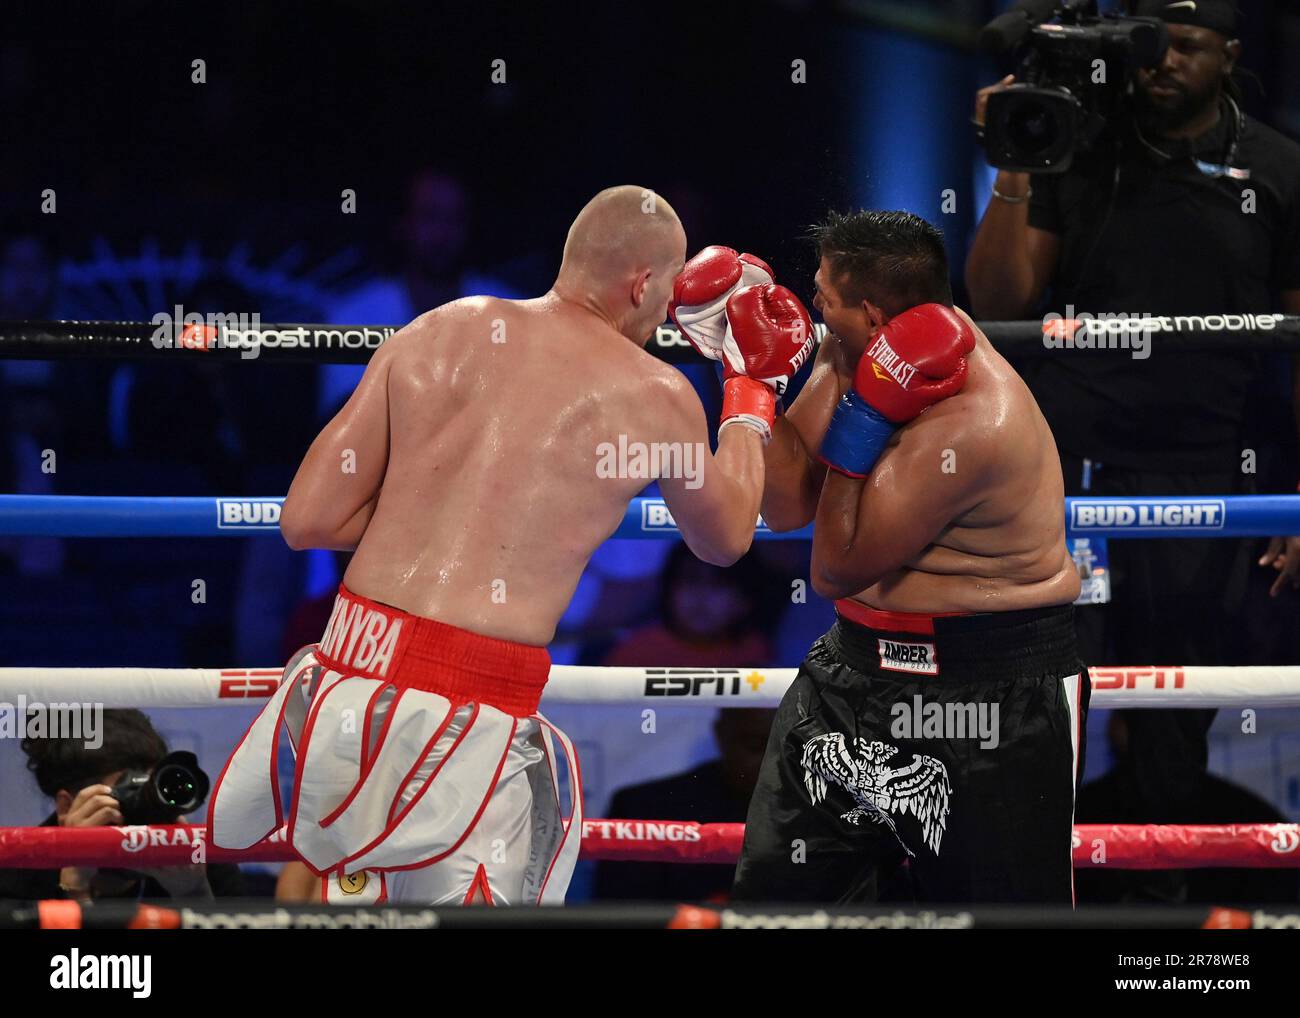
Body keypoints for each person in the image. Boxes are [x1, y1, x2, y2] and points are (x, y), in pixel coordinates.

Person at [208, 186, 815, 905]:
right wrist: (750, 393)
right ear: (644, 283)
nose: (667, 316)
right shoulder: (657, 394)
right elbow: (725, 537)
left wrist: (431, 517)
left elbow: (305, 519)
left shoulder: (437, 328)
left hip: (341, 674)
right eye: (667, 292)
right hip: (466, 713)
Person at [963, 0, 1300, 881]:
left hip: (1213, 477)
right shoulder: (1077, 144)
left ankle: (1165, 928)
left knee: (1173, 727)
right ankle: (1032, 911)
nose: (1162, 64)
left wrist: (1295, 494)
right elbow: (999, 305)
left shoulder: (1279, 169)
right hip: (1069, 475)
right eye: (1150, 46)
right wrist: (1015, 154)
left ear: (1228, 55)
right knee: (1043, 714)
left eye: (1185, 46)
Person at [731, 210, 1087, 904]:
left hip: (987, 690)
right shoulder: (853, 348)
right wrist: (754, 381)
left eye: (824, 298)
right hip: (852, 671)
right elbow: (785, 506)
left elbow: (834, 567)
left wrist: (863, 422)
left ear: (870, 313)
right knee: (779, 909)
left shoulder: (979, 423)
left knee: (997, 924)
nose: (813, 309)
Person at [0, 709, 243, 901]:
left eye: (147, 795)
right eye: (127, 798)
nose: (143, 818)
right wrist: (75, 887)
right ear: (66, 808)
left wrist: (193, 894)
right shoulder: (18, 878)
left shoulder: (199, 863)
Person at [593, 708, 775, 903]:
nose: (774, 761)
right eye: (755, 745)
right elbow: (623, 913)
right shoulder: (645, 808)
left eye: (792, 747)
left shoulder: (810, 814)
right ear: (722, 735)